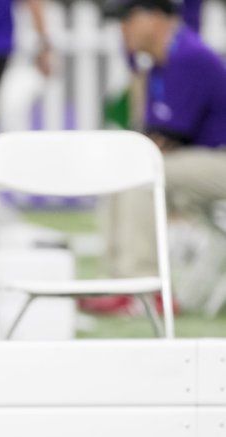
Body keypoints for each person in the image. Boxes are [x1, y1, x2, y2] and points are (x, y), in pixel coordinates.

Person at [91, 0, 226, 314]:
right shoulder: (161, 60)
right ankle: (120, 283)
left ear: (153, 17)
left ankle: (143, 286)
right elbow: (149, 129)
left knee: (140, 176)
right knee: (127, 171)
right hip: (201, 159)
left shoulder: (187, 56)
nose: (122, 29)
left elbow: (167, 137)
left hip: (218, 158)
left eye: (128, 19)